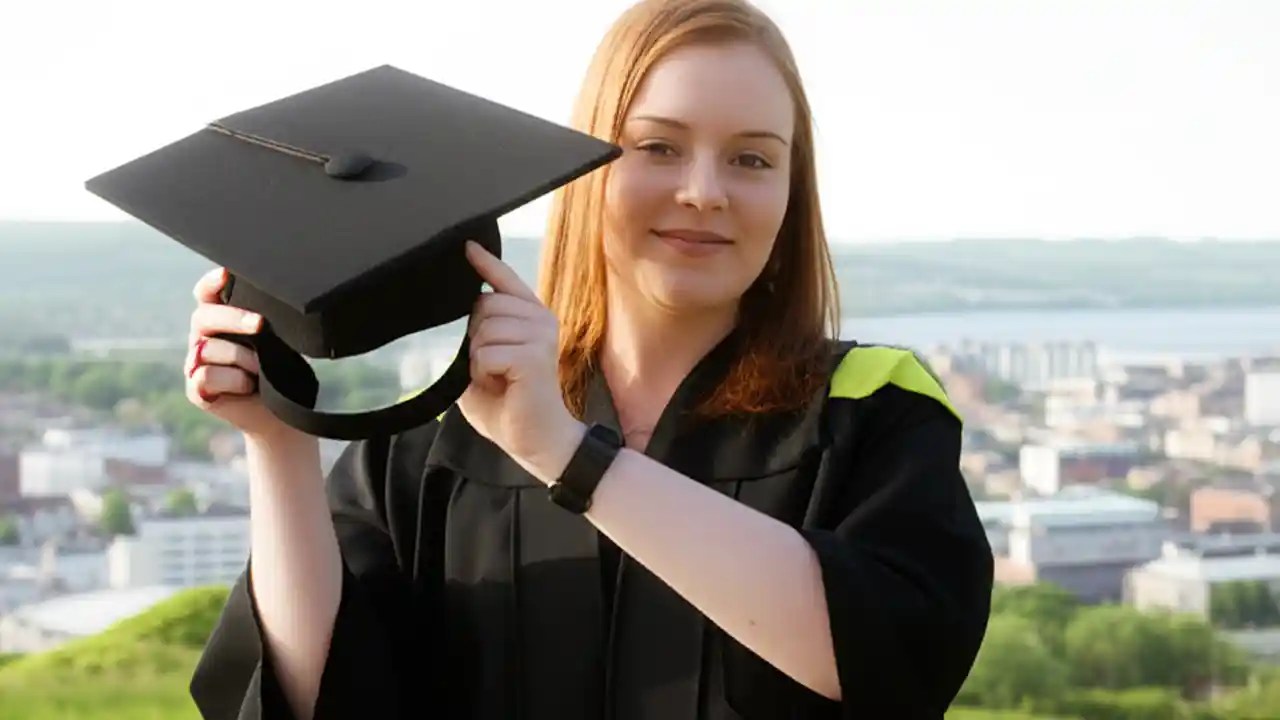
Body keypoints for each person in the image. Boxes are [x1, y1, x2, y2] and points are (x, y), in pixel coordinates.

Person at [184, 0, 994, 718]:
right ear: (590, 171)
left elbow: (893, 663)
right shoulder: (440, 431)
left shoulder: (871, 409)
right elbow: (314, 693)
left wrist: (564, 454)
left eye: (752, 158)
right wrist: (280, 444)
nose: (705, 191)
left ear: (791, 192)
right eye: (659, 147)